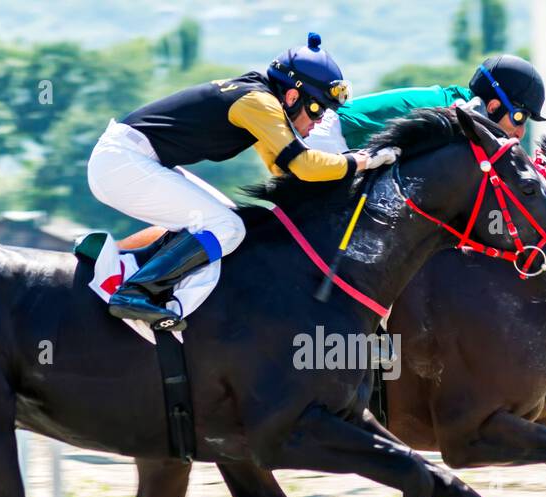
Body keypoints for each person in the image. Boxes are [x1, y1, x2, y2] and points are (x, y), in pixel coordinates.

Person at [86, 32, 398, 329]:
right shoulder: (257, 103)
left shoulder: (262, 105)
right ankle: (136, 292)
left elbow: (284, 172)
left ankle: (143, 276)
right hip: (121, 163)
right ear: (292, 96)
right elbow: (303, 165)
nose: (317, 124)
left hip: (130, 159)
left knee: (231, 221)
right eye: (317, 112)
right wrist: (362, 161)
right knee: (227, 227)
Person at [304, 54, 546, 192]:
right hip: (326, 141)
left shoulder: (459, 104)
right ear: (493, 106)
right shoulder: (461, 111)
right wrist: (544, 175)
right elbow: (493, 160)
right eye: (519, 117)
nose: (521, 131)